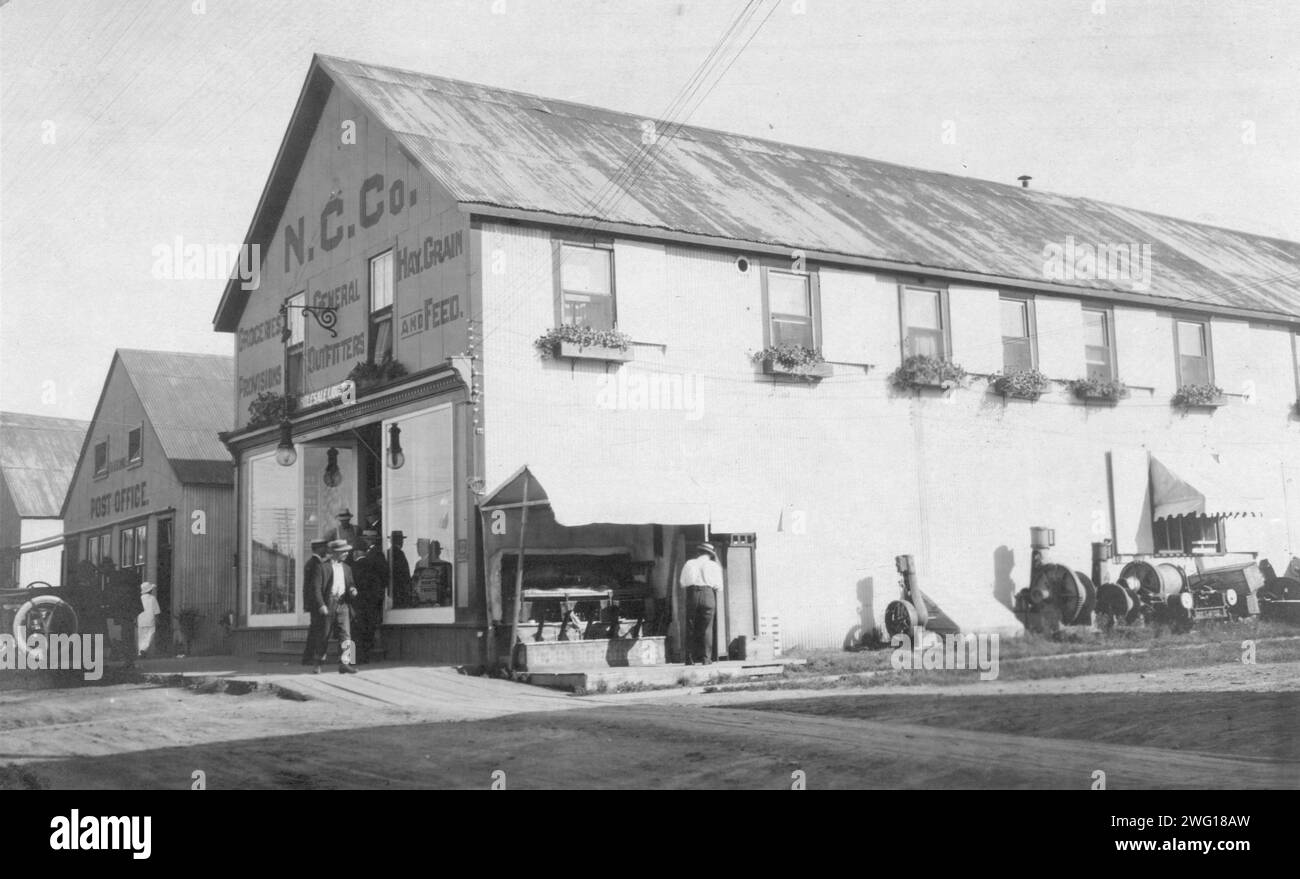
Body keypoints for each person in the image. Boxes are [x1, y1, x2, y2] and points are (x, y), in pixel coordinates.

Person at [679, 542, 723, 665]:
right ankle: (706, 658)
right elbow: (719, 587)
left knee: (690, 626)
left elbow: (682, 583)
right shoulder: (714, 566)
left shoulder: (689, 563)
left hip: (692, 593)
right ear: (710, 555)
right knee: (707, 628)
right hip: (708, 594)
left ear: (698, 552)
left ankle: (689, 658)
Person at [320, 538, 359, 674]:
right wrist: (321, 604)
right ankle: (318, 663)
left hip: (343, 603)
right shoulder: (323, 567)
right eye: (344, 551)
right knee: (325, 634)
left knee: (346, 634)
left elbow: (351, 583)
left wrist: (353, 589)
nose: (347, 554)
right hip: (329, 602)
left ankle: (346, 664)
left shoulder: (347, 568)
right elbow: (316, 588)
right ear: (336, 552)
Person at [351, 530, 388, 663]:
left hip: (357, 604)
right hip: (370, 604)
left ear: (356, 553)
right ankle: (363, 657)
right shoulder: (371, 565)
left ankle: (353, 659)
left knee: (354, 632)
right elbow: (378, 583)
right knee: (366, 631)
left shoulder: (353, 568)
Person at [104, 558, 144, 667]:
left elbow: (118, 596)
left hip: (125, 610)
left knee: (126, 634)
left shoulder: (115, 579)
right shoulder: (118, 576)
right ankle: (129, 659)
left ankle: (129, 660)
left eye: (105, 568)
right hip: (128, 609)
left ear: (109, 568)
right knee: (127, 633)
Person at [301, 539, 331, 670]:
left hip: (313, 603)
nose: (326, 549)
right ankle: (311, 657)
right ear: (318, 548)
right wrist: (321, 604)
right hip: (317, 604)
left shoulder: (311, 563)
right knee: (317, 631)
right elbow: (315, 587)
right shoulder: (316, 564)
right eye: (324, 547)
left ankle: (308, 657)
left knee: (314, 630)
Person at [412, 539, 453, 607]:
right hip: (429, 601)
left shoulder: (421, 564)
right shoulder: (421, 565)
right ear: (440, 551)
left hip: (434, 601)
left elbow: (449, 587)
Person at [389, 531, 412, 609]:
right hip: (400, 591)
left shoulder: (388, 552)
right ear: (400, 541)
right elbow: (405, 574)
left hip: (390, 590)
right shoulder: (400, 554)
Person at [137, 581, 160, 657]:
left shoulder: (139, 598)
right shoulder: (152, 598)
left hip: (141, 620)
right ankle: (144, 649)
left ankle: (140, 652)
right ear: (150, 590)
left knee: (141, 637)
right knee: (149, 636)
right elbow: (156, 611)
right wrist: (157, 620)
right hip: (150, 620)